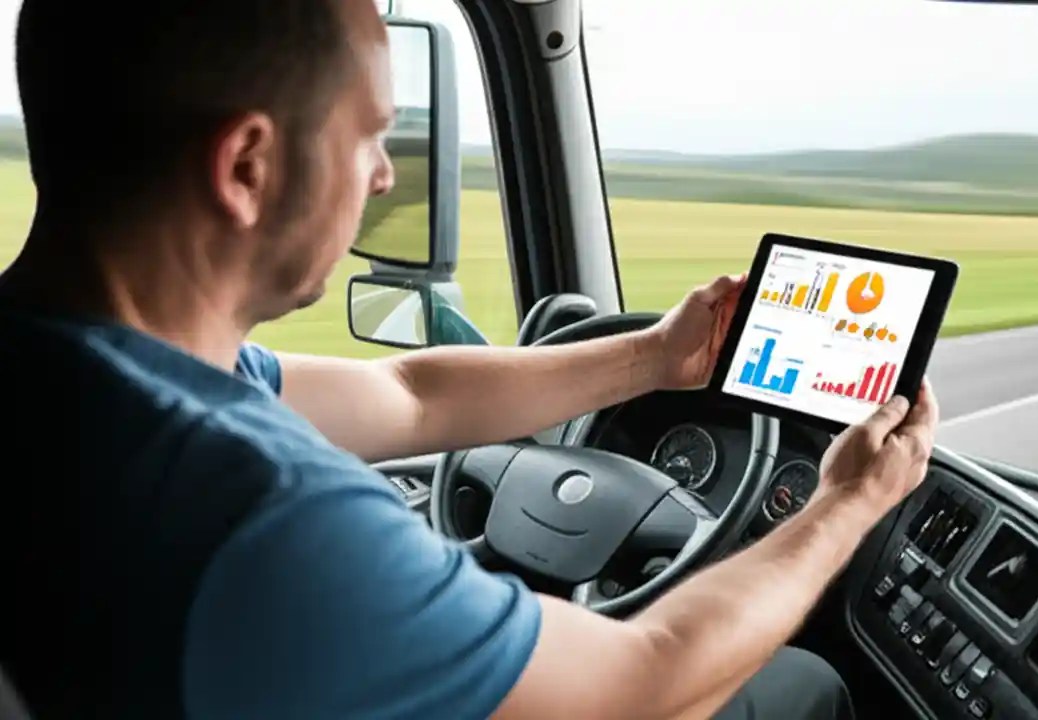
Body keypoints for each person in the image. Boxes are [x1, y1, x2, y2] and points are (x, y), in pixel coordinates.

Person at [0, 2, 939, 719]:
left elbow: (408, 391)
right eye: (370, 135)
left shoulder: (94, 374)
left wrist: (656, 357)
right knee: (804, 684)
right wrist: (845, 503)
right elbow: (650, 681)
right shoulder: (267, 518)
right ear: (246, 166)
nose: (382, 177)